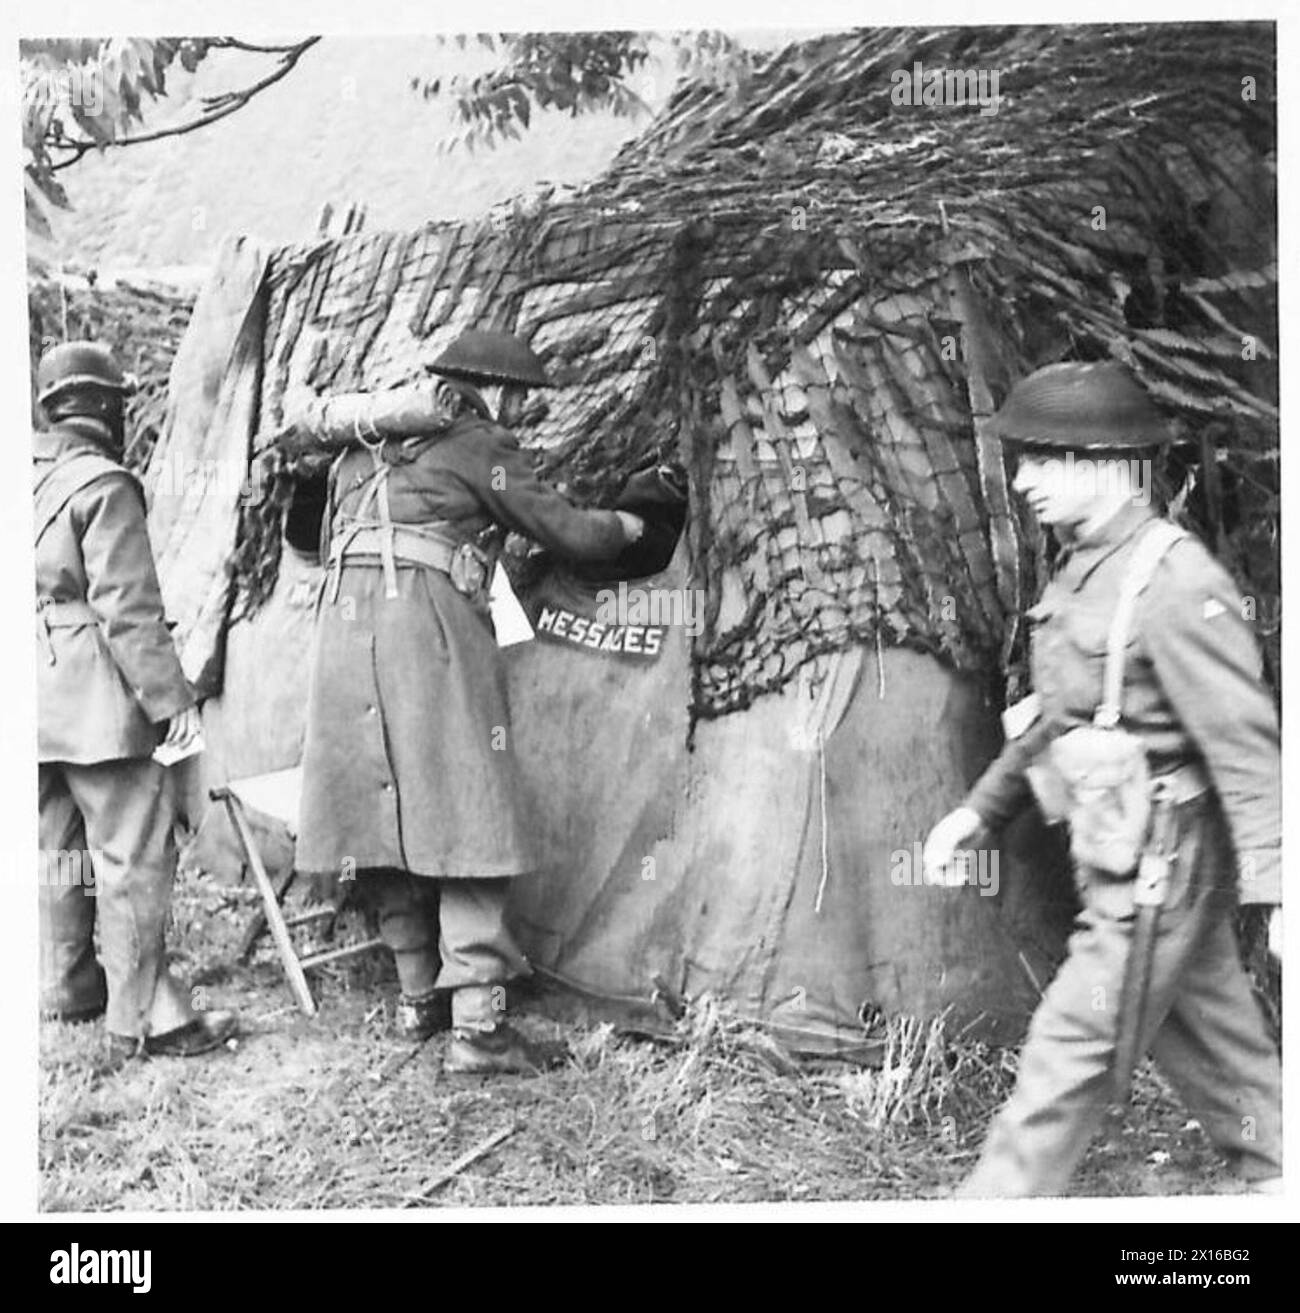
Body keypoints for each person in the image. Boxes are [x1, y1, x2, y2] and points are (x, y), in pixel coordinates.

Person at [923, 360, 1281, 1196]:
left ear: (1106, 463)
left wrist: (1281, 894)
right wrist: (980, 812)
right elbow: (1063, 713)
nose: (1022, 481)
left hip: (1159, 871)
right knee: (1230, 1064)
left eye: (1043, 461)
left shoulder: (1175, 583)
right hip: (1130, 858)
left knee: (1063, 1055)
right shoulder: (1084, 567)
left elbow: (1249, 750)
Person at [295, 329, 646, 1074]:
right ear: (503, 389)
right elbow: (569, 531)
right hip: (427, 632)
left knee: (378, 816)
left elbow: (311, 539)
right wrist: (630, 524)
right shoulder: (478, 440)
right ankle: (480, 1028)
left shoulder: (365, 443)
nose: (523, 415)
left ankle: (416, 996)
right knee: (472, 813)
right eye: (523, 400)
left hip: (346, 637)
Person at [34, 340, 238, 1065]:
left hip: (31, 695)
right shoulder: (105, 484)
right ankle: (144, 1015)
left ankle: (64, 984)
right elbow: (128, 610)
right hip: (95, 702)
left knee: (54, 851)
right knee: (129, 853)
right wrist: (169, 701)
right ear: (103, 408)